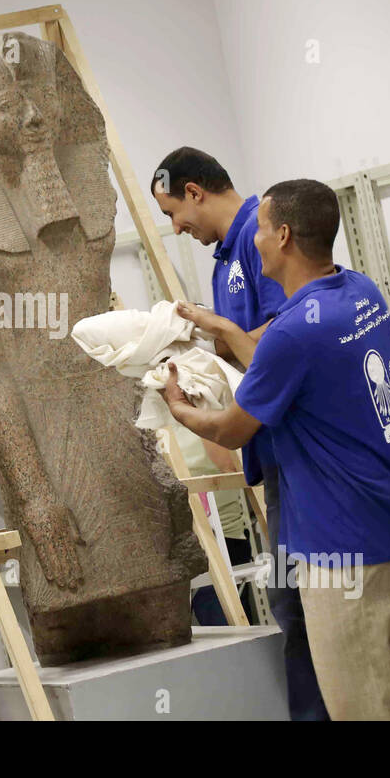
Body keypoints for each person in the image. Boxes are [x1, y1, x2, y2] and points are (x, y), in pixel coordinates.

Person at [162, 179, 390, 720]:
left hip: (347, 546)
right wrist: (222, 325)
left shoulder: (293, 332)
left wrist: (176, 407)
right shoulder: (358, 291)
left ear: (285, 236)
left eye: (263, 230)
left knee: (364, 706)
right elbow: (284, 358)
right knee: (384, 687)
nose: (257, 241)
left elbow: (230, 429)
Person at [151, 146, 327, 721]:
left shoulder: (261, 238)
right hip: (275, 458)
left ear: (196, 191)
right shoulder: (228, 255)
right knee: (293, 606)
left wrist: (217, 345)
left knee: (307, 610)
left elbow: (287, 330)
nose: (177, 227)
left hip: (301, 457)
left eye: (175, 211)